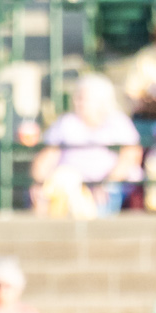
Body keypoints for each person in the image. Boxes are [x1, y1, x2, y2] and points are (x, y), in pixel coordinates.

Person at [32, 75, 143, 218]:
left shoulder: (118, 122)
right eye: (77, 97)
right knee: (59, 184)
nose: (78, 102)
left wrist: (105, 183)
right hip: (69, 185)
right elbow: (46, 156)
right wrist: (39, 182)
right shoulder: (66, 123)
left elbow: (130, 157)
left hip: (108, 188)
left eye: (83, 98)